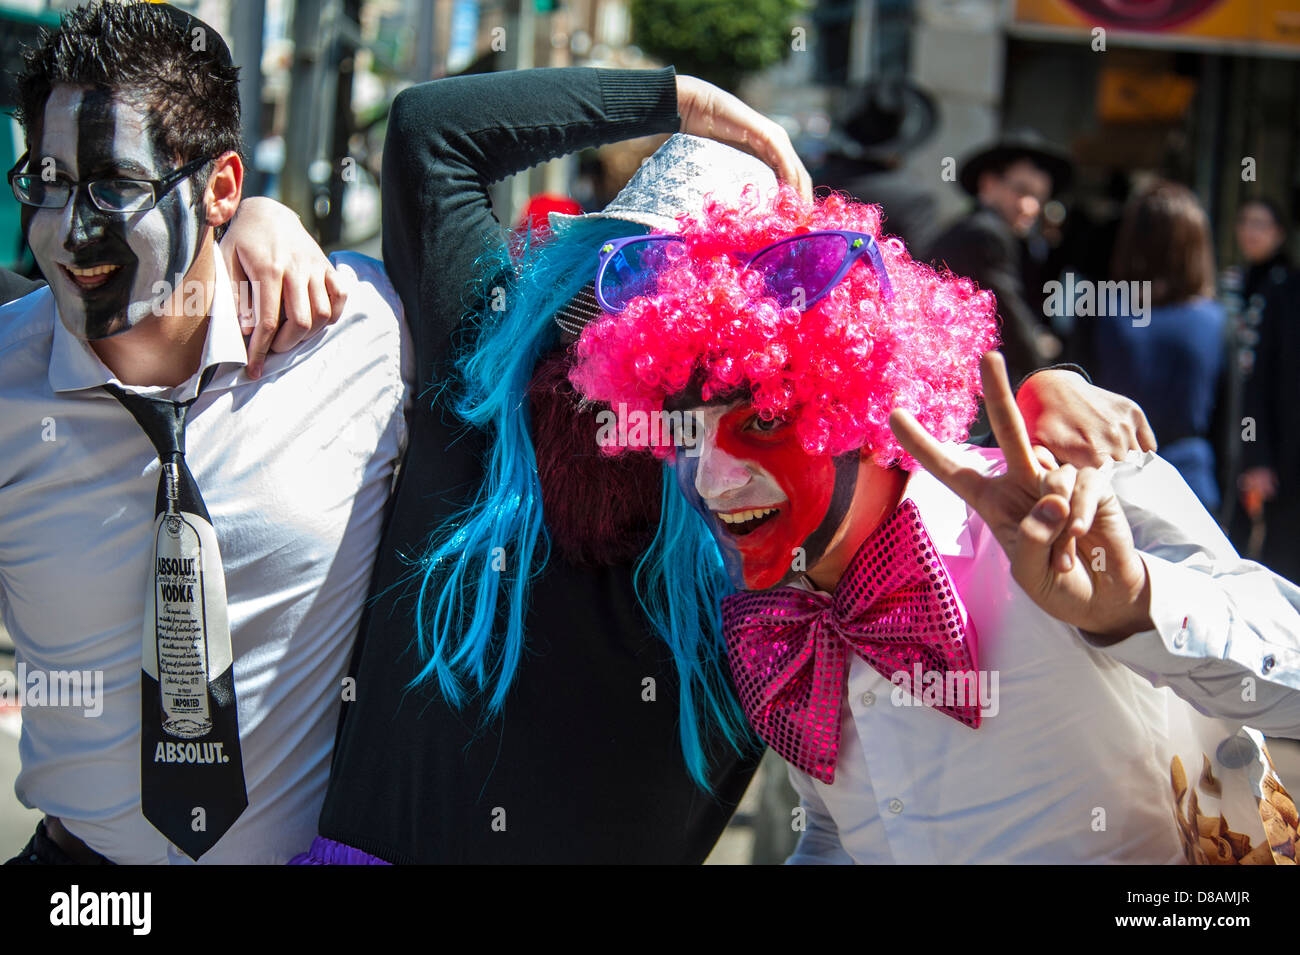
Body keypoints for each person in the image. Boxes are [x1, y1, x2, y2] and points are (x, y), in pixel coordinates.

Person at [295, 70, 1152, 863]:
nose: (639, 333)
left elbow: (906, 444)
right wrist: (682, 100)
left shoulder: (762, 515)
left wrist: (1040, 396)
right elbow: (426, 133)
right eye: (623, 277)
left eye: (697, 313)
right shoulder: (483, 364)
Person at [570, 176, 1300, 864]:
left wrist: (1136, 608)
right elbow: (840, 831)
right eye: (689, 430)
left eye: (761, 418)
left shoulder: (1071, 500)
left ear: (858, 403)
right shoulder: (779, 617)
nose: (710, 476)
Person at [1, 1, 411, 864]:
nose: (70, 231)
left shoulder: (360, 334)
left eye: (115, 185)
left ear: (222, 187)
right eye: (46, 179)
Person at [1087, 182, 1228, 513]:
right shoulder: (1217, 322)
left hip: (1114, 484)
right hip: (1193, 487)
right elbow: (1227, 430)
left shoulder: (1101, 311)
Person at [927, 130, 1071, 385]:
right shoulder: (987, 234)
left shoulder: (980, 228)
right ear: (988, 185)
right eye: (1022, 191)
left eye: (1039, 197)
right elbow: (1009, 317)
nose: (1031, 207)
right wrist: (1049, 378)